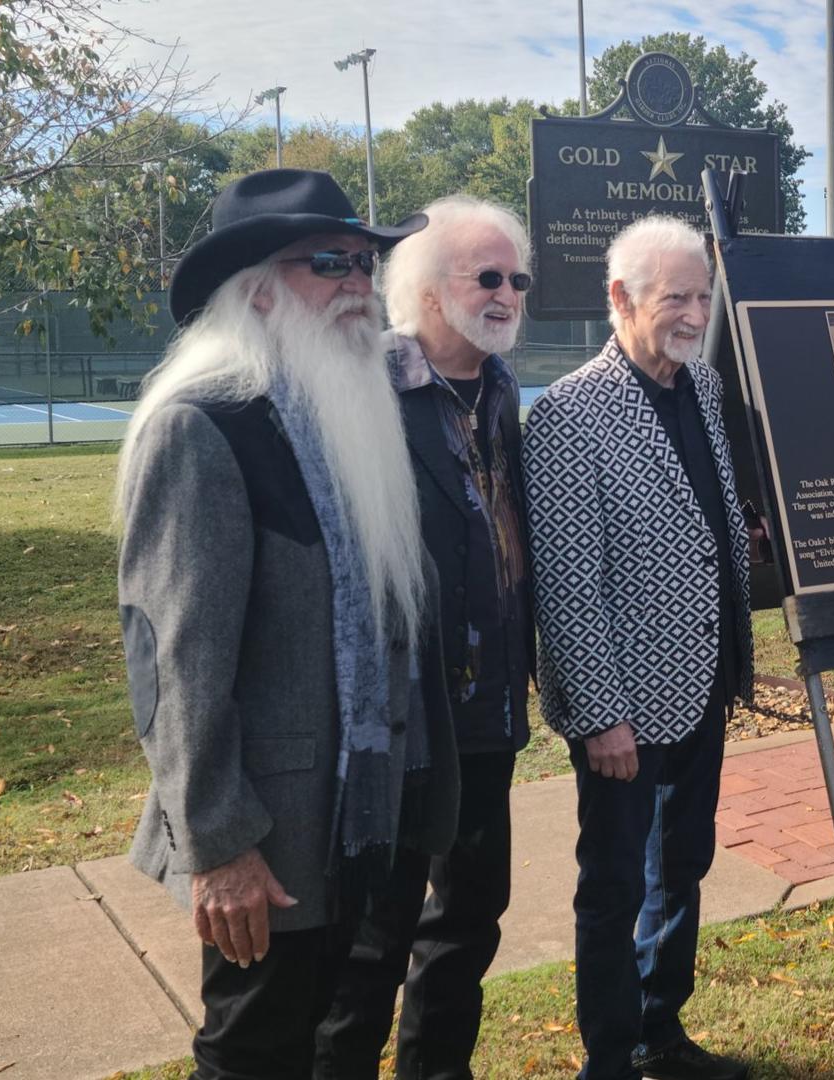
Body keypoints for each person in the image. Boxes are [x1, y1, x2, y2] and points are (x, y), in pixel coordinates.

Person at [113, 168, 458, 1076]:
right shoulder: (204, 428)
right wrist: (220, 846)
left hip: (367, 812)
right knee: (255, 1053)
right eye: (329, 264)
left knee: (340, 1041)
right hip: (271, 835)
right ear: (258, 290)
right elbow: (174, 666)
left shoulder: (351, 414)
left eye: (364, 263)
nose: (359, 283)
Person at [524, 215, 754, 1080]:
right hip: (625, 706)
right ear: (620, 297)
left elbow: (704, 516)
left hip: (704, 682)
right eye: (675, 298)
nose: (695, 314)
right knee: (615, 883)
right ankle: (610, 1057)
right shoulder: (568, 414)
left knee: (682, 865)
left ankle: (661, 1031)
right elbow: (567, 584)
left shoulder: (703, 386)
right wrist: (599, 716)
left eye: (703, 296)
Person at [315, 194, 534, 1077]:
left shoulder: (502, 391)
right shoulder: (364, 387)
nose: (508, 293)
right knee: (374, 939)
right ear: (430, 291)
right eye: (488, 277)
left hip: (487, 715)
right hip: (400, 723)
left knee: (469, 920)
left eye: (518, 279)